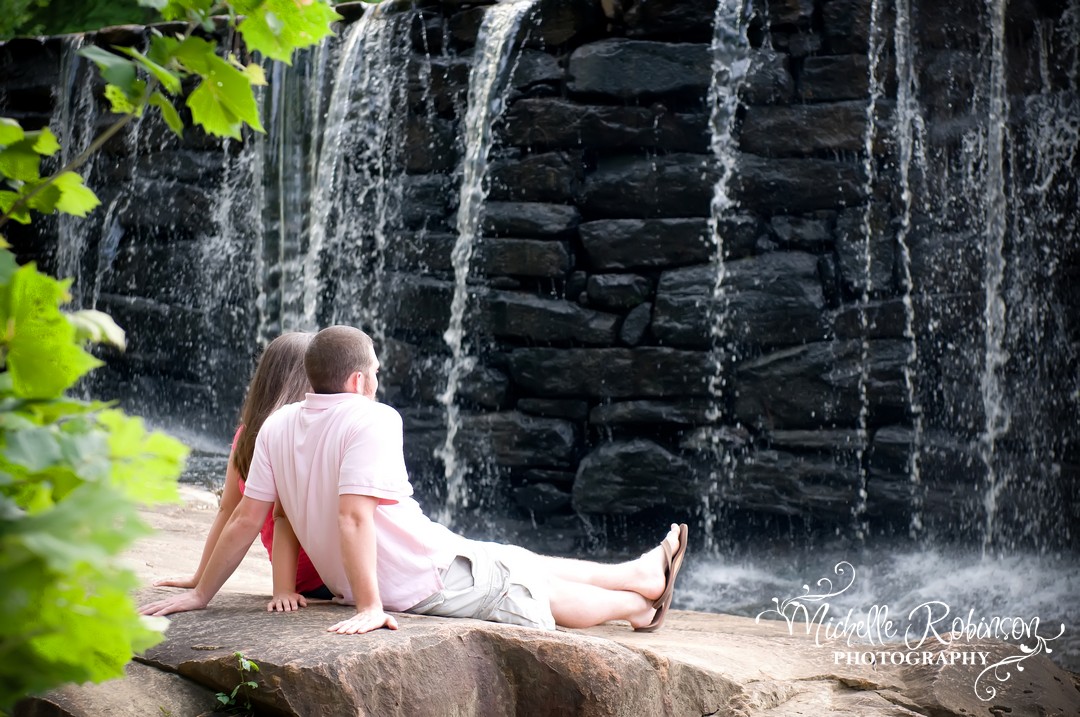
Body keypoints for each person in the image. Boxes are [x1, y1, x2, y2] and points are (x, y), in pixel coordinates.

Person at [141, 326, 688, 634]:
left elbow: (244, 519)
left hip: (406, 565)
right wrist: (370, 608)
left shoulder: (277, 425)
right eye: (375, 371)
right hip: (419, 578)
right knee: (523, 592)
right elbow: (353, 517)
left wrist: (201, 593)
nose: (378, 379)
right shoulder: (375, 418)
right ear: (358, 379)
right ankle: (638, 604)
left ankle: (641, 579)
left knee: (515, 560)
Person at [152, 331, 331, 610]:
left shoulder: (246, 436)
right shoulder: (307, 437)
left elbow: (228, 511)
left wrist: (202, 579)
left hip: (295, 581)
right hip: (327, 578)